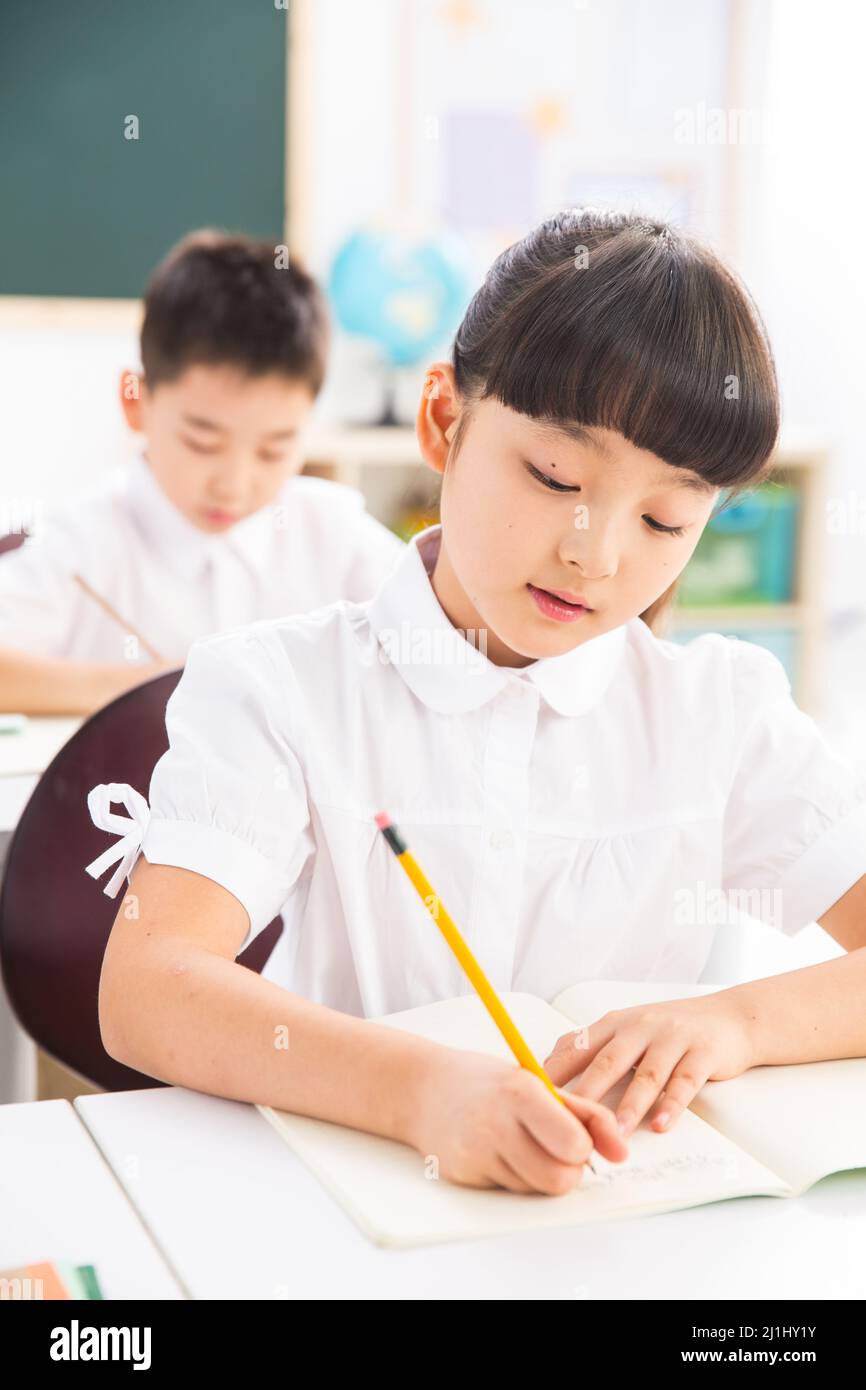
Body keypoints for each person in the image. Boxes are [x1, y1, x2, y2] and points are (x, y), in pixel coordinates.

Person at [85, 208, 866, 1195]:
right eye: (553, 475)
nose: (595, 553)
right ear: (442, 423)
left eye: (664, 518)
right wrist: (421, 1093)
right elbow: (147, 988)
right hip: (362, 1210)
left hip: (622, 1227)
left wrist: (733, 1022)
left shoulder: (720, 709)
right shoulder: (279, 686)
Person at [0, 229, 403, 714]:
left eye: (274, 450)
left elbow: (449, 633)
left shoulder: (332, 531)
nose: (234, 484)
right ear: (136, 401)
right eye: (202, 442)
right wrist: (171, 687)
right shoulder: (80, 542)